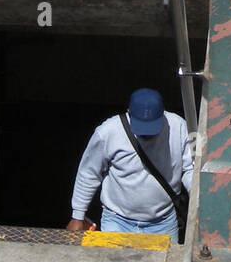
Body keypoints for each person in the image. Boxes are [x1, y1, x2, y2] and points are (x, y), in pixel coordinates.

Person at [66, 89, 192, 238]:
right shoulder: (107, 132)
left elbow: (189, 169)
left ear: (163, 113)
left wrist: (201, 202)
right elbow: (89, 173)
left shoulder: (179, 127)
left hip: (163, 223)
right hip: (117, 221)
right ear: (128, 112)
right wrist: (78, 216)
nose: (147, 134)